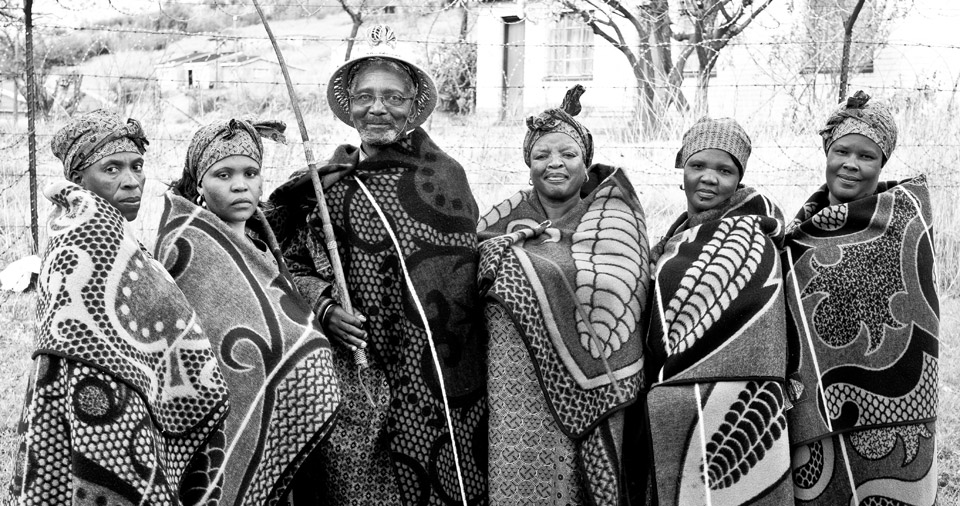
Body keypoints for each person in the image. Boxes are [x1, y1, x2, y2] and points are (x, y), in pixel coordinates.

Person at [267, 25, 487, 506]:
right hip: (354, 367)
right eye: (364, 97)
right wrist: (325, 308)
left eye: (392, 97)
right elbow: (286, 264)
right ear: (348, 106)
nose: (378, 108)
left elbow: (458, 273)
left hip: (435, 372)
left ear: (412, 106)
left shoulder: (444, 177)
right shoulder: (327, 187)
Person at [6, 110, 229, 505]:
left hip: (96, 406)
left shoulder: (79, 225)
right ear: (79, 180)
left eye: (137, 166)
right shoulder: (93, 231)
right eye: (112, 168)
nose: (131, 181)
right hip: (105, 409)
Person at [476, 85, 649, 506]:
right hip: (513, 393)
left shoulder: (616, 221)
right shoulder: (501, 221)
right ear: (528, 164)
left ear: (585, 163)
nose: (554, 164)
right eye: (541, 156)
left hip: (597, 393)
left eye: (568, 154)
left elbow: (626, 289)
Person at [154, 118, 340, 505]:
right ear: (199, 184)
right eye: (224, 174)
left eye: (251, 173)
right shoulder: (190, 248)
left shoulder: (261, 243)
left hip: (286, 429)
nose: (241, 185)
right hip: (228, 426)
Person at [784, 91, 938, 505]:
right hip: (814, 413)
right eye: (842, 151)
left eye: (867, 156)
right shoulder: (795, 234)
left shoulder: (904, 221)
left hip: (897, 419)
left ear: (882, 162)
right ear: (827, 153)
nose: (851, 164)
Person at [642, 117, 793, 505]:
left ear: (739, 180)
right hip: (677, 409)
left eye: (724, 170)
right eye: (698, 166)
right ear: (682, 171)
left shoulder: (756, 231)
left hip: (746, 406)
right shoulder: (670, 241)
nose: (709, 178)